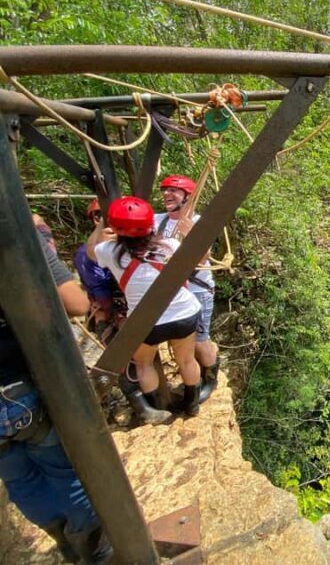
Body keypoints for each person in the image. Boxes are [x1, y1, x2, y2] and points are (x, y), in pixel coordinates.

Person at [0, 230, 112, 563]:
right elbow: (76, 303)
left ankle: (64, 540)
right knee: (63, 471)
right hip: (19, 387)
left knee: (18, 477)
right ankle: (92, 547)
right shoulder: (14, 230)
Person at [87, 196, 202, 417]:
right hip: (184, 312)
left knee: (143, 363)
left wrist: (102, 224)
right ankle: (192, 405)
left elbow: (91, 250)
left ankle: (160, 408)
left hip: (146, 321)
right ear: (150, 224)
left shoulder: (109, 251)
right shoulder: (171, 245)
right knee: (187, 359)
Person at [155, 175, 219, 404]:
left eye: (174, 191)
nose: (167, 195)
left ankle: (210, 379)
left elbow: (203, 257)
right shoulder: (156, 221)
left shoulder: (201, 221)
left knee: (201, 339)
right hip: (170, 290)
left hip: (196, 288)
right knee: (181, 342)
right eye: (165, 191)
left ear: (188, 197)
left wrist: (191, 233)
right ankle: (192, 382)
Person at [73, 200, 115, 335]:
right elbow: (100, 290)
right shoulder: (85, 254)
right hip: (108, 308)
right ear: (97, 219)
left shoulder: (127, 246)